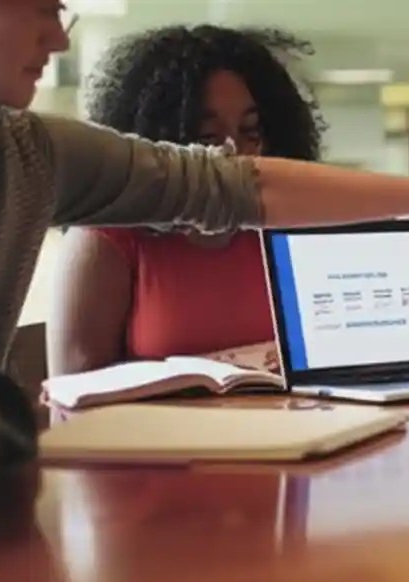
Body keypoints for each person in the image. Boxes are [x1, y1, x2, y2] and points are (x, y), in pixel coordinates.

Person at [0, 1, 409, 372]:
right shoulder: (102, 229)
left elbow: (238, 187)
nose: (60, 38)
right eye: (42, 8)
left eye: (250, 131)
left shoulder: (27, 149)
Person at [47, 26, 323, 376]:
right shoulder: (105, 240)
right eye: (206, 136)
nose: (233, 152)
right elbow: (73, 407)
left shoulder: (286, 226)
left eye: (251, 131)